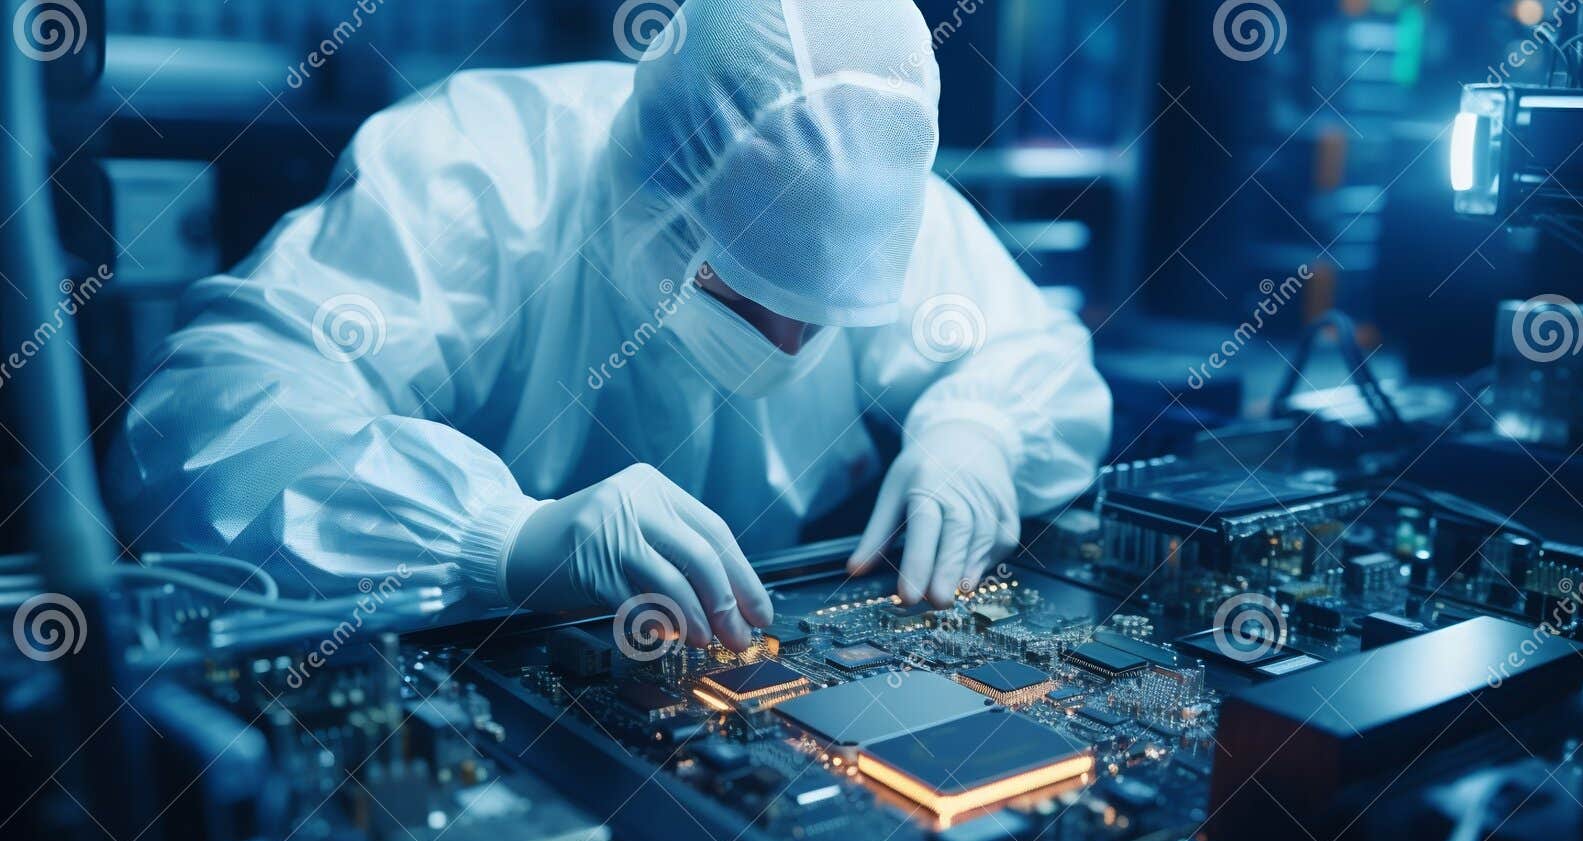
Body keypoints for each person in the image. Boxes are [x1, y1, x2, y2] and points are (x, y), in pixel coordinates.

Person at [109, 0, 1110, 652]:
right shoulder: (475, 176)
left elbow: (1032, 357)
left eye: (824, 312)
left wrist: (979, 428)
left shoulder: (875, 192)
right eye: (747, 292)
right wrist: (498, 537)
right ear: (657, 201)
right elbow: (204, 427)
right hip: (478, 657)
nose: (789, 341)